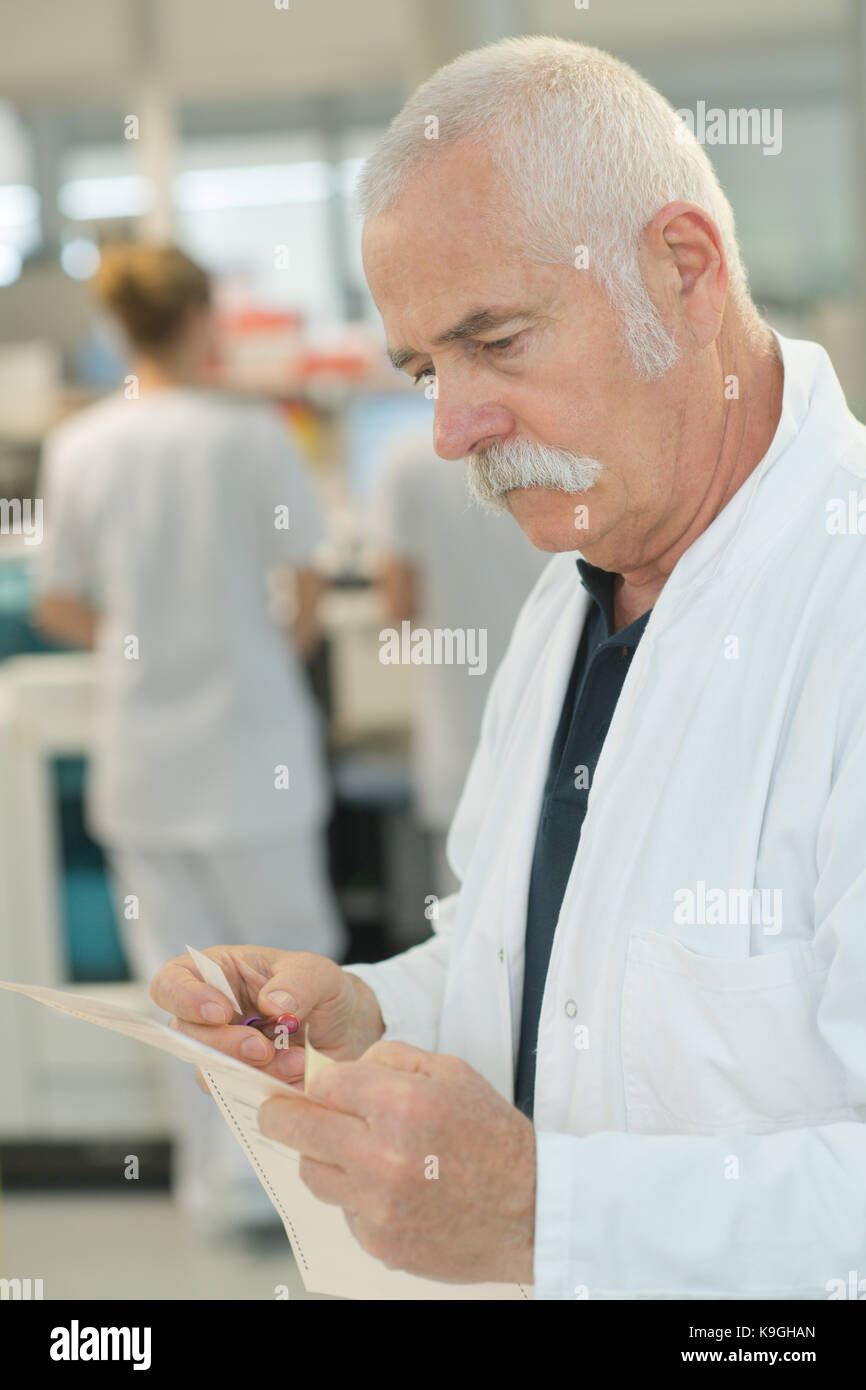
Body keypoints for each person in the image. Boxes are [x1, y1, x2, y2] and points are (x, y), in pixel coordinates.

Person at [152, 38, 866, 1296]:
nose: (447, 429)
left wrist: (551, 1213)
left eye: (496, 341)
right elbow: (537, 969)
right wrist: (371, 1012)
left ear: (681, 269)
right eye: (427, 368)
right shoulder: (568, 603)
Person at [34, 242, 347, 1233]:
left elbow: (57, 602)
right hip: (257, 746)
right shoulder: (250, 433)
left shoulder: (83, 445)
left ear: (120, 330)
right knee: (292, 975)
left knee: (183, 984)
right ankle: (312, 1185)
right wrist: (264, 652)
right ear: (203, 318)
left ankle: (219, 1192)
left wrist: (139, 645)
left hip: (147, 759)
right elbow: (307, 584)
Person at [369, 427, 547, 894]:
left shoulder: (407, 459)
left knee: (465, 930)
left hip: (460, 744)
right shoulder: (563, 443)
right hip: (557, 729)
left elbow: (397, 603)